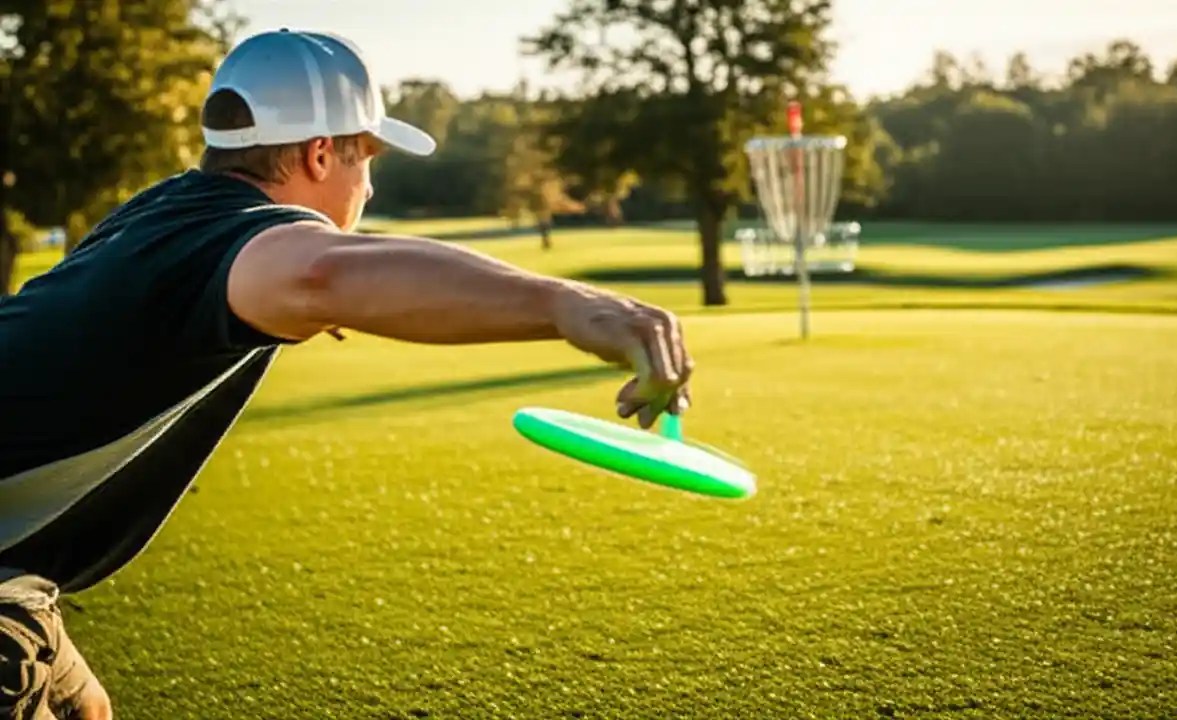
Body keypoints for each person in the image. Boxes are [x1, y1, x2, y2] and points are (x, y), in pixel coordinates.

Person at [0, 29, 693, 719]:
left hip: (19, 572)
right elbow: (322, 274)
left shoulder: (163, 213)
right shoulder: (238, 241)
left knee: (86, 708)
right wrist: (567, 305)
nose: (370, 184)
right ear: (320, 153)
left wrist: (323, 297)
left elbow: (287, 279)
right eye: (367, 158)